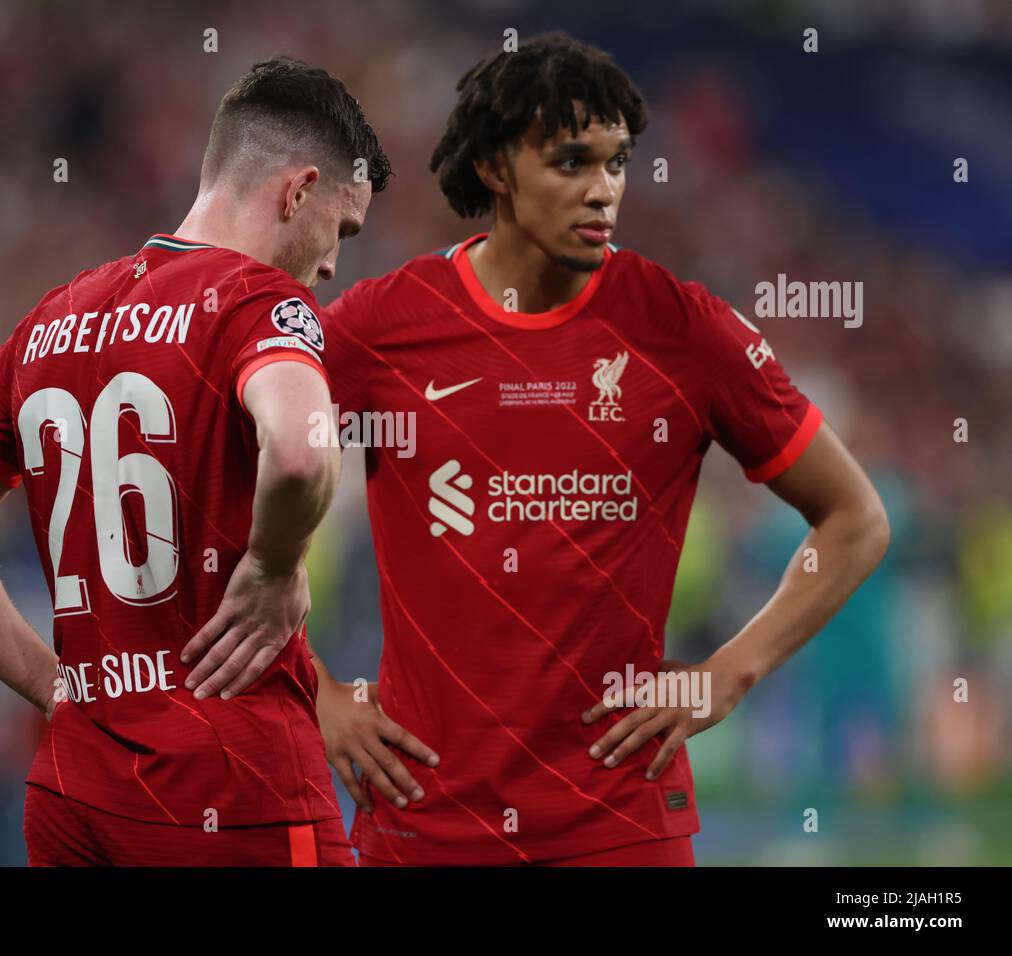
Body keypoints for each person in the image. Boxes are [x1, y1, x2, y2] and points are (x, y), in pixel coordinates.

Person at [313, 33, 889, 866]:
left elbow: (856, 520)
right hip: (428, 819)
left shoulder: (684, 329)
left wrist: (726, 674)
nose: (603, 191)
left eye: (617, 163)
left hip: (619, 822)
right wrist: (319, 694)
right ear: (496, 170)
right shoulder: (380, 329)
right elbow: (220, 494)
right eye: (571, 162)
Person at [0, 56, 390, 866]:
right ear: (297, 192)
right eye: (342, 228)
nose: (332, 264)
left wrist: (58, 688)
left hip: (75, 787)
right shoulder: (260, 304)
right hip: (230, 780)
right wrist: (271, 564)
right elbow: (300, 454)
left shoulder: (52, 318)